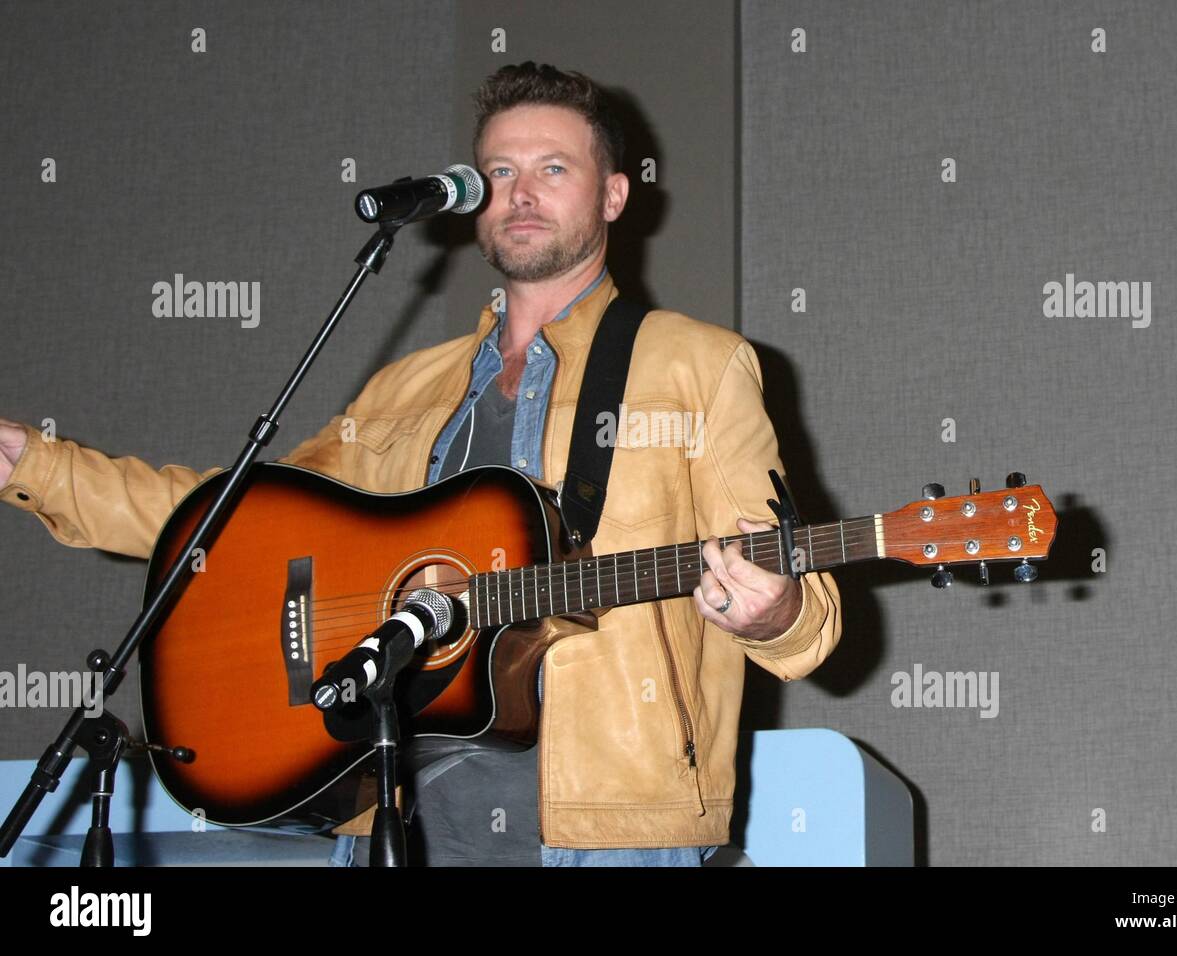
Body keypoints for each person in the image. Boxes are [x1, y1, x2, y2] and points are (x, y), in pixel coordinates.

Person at [0, 62, 843, 866]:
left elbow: (803, 595)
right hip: (391, 815)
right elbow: (229, 520)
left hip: (609, 821)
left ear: (614, 193)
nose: (521, 192)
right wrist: (34, 464)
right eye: (498, 171)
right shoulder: (406, 388)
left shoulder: (697, 366)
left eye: (554, 167)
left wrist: (772, 616)